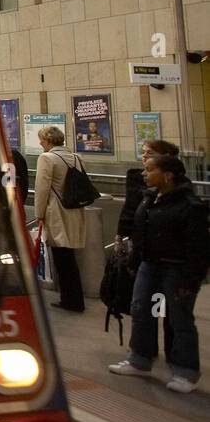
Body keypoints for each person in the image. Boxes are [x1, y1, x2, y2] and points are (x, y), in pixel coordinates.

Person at [109, 155, 209, 392]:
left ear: (168, 175)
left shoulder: (189, 205)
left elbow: (199, 247)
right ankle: (140, 359)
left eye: (149, 170)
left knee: (178, 318)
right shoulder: (150, 199)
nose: (144, 174)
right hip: (149, 266)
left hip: (176, 270)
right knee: (143, 310)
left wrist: (191, 279)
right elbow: (141, 233)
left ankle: (186, 371)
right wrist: (134, 260)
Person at [32, 125, 86, 312]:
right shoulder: (76, 157)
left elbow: (41, 189)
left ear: (47, 141)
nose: (40, 143)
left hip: (56, 211)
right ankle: (75, 298)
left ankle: (70, 300)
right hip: (74, 210)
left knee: (62, 257)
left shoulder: (46, 158)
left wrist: (39, 214)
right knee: (69, 256)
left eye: (41, 139)